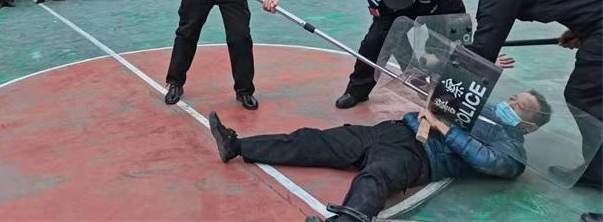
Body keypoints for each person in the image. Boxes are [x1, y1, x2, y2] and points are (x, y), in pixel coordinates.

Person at [209, 89, 552, 222]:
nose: (510, 103)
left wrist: (443, 127)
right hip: (392, 131)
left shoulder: (513, 149)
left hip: (421, 155)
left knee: (376, 176)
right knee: (311, 140)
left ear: (529, 125)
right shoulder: (481, 108)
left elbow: (488, 161)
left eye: (520, 106)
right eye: (513, 98)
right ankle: (237, 146)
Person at [444, 0, 603, 191]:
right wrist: (582, 28)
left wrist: (443, 94)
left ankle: (599, 173)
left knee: (586, 94)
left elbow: (483, 51)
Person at [335, 0, 466, 109]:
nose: (403, 1)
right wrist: (411, 69)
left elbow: (456, 17)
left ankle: (449, 93)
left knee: (442, 47)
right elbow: (388, 32)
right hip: (395, 15)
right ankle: (357, 91)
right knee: (373, 44)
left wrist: (458, 54)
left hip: (435, 10)